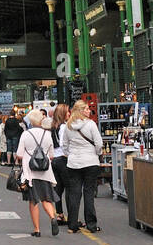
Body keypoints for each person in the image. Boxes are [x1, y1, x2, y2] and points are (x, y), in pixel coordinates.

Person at [16, 109, 61, 237]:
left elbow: (19, 154)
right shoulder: (47, 134)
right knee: (46, 198)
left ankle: (37, 229)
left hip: (30, 172)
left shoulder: (25, 134)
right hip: (46, 172)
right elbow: (51, 155)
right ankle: (53, 217)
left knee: (33, 201)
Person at [64, 100, 103, 233]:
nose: (89, 111)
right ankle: (91, 224)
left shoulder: (68, 126)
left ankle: (72, 225)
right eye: (86, 109)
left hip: (73, 163)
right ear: (80, 111)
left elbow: (64, 146)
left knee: (74, 193)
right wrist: (97, 154)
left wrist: (72, 155)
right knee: (89, 193)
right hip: (90, 162)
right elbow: (99, 143)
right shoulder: (91, 124)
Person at [50, 103, 70, 224]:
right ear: (63, 114)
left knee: (58, 188)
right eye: (67, 112)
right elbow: (64, 144)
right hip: (63, 158)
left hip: (54, 159)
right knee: (69, 188)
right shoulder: (64, 127)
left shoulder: (53, 126)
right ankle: (72, 216)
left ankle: (59, 214)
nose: (69, 114)